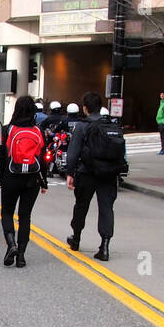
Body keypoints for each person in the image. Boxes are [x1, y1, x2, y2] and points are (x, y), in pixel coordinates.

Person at [64, 90, 126, 261]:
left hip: (87, 172)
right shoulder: (112, 126)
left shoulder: (82, 126)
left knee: (81, 206)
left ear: (85, 108)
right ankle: (104, 246)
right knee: (106, 208)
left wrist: (70, 172)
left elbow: (73, 152)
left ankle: (75, 238)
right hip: (108, 173)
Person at [0, 95, 48, 268]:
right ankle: (22, 256)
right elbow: (43, 159)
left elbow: (1, 157)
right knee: (25, 216)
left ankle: (11, 244)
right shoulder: (38, 130)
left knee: (7, 213)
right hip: (32, 178)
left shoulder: (7, 129)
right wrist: (44, 181)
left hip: (11, 175)